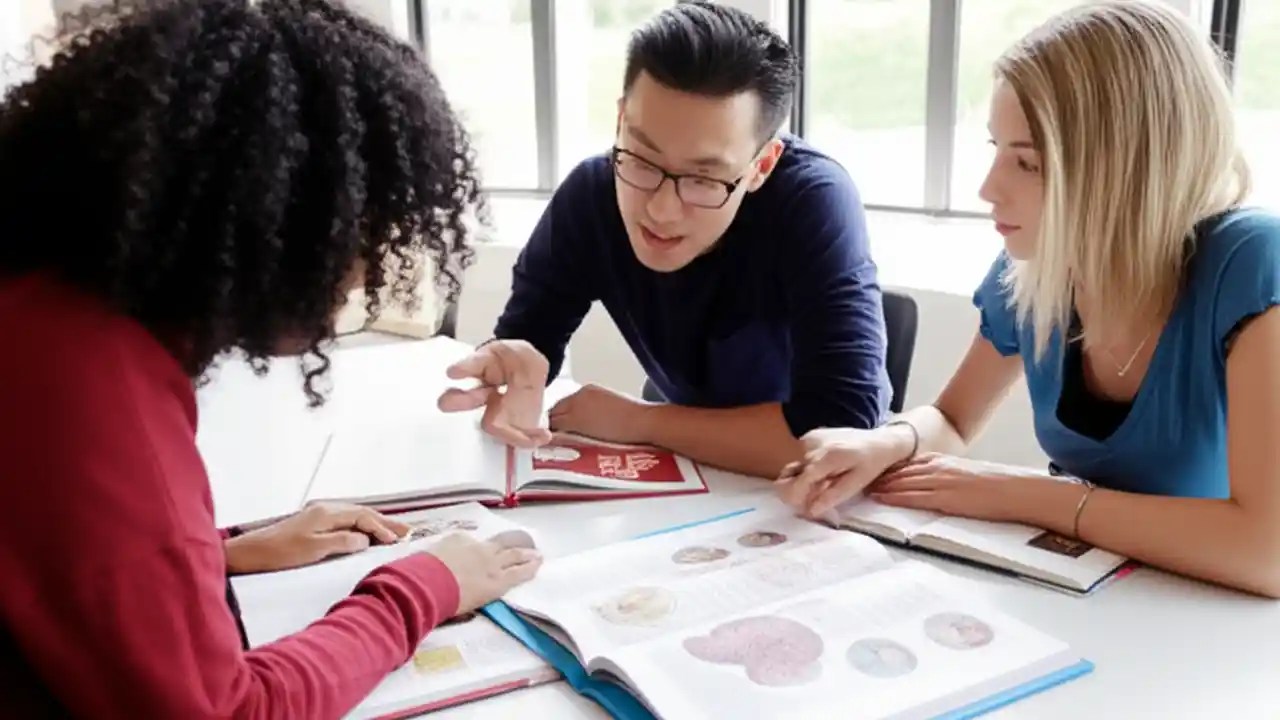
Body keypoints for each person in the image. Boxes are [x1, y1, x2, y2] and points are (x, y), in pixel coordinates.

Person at [0, 1, 548, 716]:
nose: (366, 273)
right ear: (281, 218)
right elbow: (229, 711)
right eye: (370, 231)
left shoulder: (46, 309)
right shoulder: (93, 393)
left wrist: (214, 552)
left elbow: (51, 562)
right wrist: (420, 588)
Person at [779, 1, 1280, 598]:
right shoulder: (1037, 267)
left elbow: (1265, 551)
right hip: (1094, 594)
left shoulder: (1251, 264)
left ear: (1126, 170)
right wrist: (887, 442)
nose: (988, 188)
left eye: (1028, 163)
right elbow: (954, 419)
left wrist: (1019, 494)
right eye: (996, 148)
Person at [492, 1, 891, 479]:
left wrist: (641, 421)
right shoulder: (594, 192)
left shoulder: (812, 201)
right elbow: (526, 340)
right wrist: (505, 376)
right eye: (641, 158)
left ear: (761, 166)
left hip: (812, 501)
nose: (660, 210)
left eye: (703, 180)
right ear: (620, 121)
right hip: (692, 478)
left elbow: (840, 432)